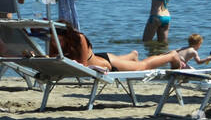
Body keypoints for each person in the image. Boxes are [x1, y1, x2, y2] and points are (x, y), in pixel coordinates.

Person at [51, 27, 202, 73]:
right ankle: (132, 55)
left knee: (142, 66)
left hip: (107, 63)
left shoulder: (79, 38)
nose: (53, 41)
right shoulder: (54, 39)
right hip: (101, 59)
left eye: (56, 38)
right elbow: (52, 59)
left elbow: (83, 65)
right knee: (136, 61)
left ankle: (171, 56)